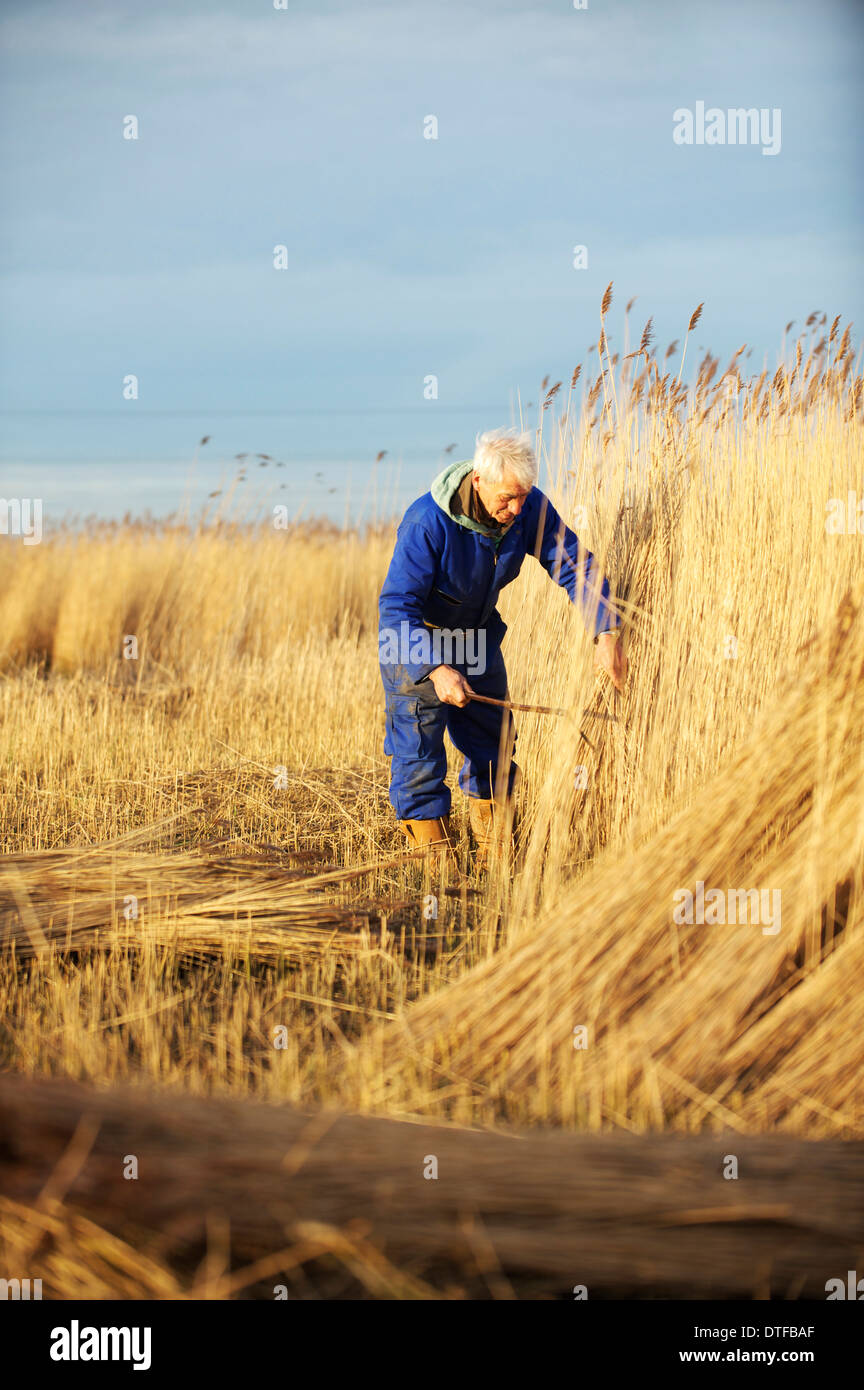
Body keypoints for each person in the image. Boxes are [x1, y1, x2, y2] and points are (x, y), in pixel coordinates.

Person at [378, 427, 626, 868]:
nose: (515, 509)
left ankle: (496, 856)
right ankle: (435, 869)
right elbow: (396, 610)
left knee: (495, 743)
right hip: (417, 642)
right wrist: (436, 670)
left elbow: (575, 566)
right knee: (418, 753)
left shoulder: (528, 509)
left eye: (523, 497)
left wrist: (605, 632)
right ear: (478, 481)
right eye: (507, 498)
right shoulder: (426, 523)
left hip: (475, 638)